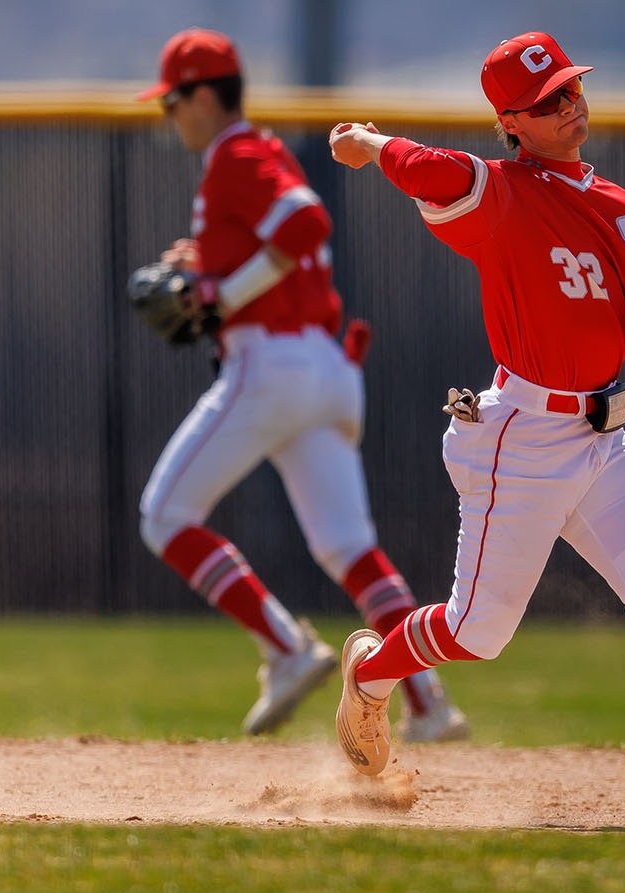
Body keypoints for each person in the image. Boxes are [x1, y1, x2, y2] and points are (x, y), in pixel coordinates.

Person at [326, 31, 625, 827]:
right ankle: (372, 675)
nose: (571, 104)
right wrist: (370, 141)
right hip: (517, 441)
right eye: (550, 98)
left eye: (572, 88)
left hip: (603, 439)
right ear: (513, 120)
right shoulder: (498, 195)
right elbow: (432, 169)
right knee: (476, 633)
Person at [133, 27, 468, 743]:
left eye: (172, 102)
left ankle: (286, 648)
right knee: (350, 547)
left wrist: (221, 297)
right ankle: (429, 705)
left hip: (271, 366)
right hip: (328, 371)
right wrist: (210, 269)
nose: (171, 116)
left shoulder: (236, 153)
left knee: (165, 516)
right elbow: (278, 239)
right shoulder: (261, 154)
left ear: (199, 96)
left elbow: (308, 222)